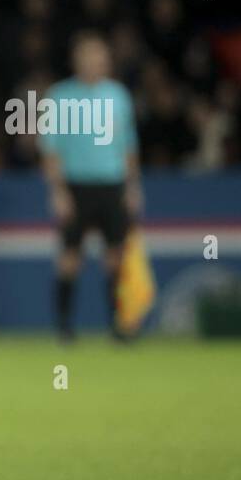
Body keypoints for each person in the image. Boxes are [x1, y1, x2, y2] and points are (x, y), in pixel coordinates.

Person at [39, 31, 142, 340]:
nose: (95, 63)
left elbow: (128, 148)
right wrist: (57, 192)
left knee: (116, 258)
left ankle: (119, 326)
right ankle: (64, 326)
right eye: (88, 57)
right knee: (70, 258)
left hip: (112, 185)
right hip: (76, 186)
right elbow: (50, 150)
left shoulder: (118, 96)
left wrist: (133, 187)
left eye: (100, 57)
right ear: (77, 60)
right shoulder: (58, 97)